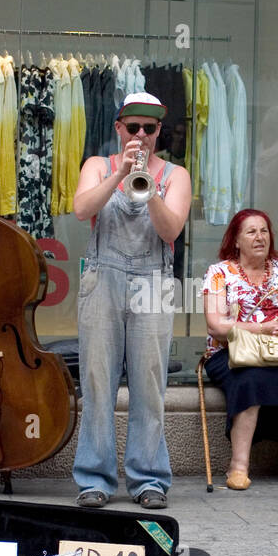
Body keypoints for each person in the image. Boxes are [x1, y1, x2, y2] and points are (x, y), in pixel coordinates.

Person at [71, 92, 190, 509]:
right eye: (133, 127)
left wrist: (148, 187)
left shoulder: (176, 174)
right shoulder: (97, 165)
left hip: (153, 281)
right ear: (119, 128)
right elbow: (81, 207)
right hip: (103, 277)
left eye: (150, 128)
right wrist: (120, 171)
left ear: (159, 131)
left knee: (149, 382)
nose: (142, 134)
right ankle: (95, 478)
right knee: (98, 380)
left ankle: (149, 478)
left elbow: (170, 230)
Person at [203, 209, 278, 490]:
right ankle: (238, 466)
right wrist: (263, 328)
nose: (260, 237)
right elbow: (215, 326)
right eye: (251, 232)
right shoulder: (219, 273)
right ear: (235, 240)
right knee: (251, 378)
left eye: (264, 231)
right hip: (232, 352)